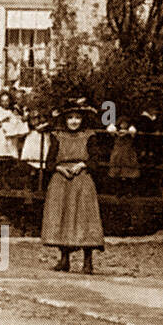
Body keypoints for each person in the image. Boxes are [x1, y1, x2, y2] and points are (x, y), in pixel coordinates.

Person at [42, 108, 104, 274]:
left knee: (84, 218)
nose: (74, 121)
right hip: (61, 180)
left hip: (82, 179)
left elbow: (96, 161)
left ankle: (88, 262)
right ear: (65, 120)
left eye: (78, 118)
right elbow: (49, 162)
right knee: (63, 217)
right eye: (70, 118)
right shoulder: (57, 136)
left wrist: (82, 165)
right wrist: (60, 168)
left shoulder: (89, 136)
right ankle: (64, 260)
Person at [106, 116, 140, 194]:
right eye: (122, 123)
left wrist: (127, 132)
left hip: (128, 153)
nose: (123, 125)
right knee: (117, 173)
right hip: (118, 154)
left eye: (125, 123)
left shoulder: (131, 131)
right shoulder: (115, 130)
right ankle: (118, 191)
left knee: (128, 172)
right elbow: (110, 131)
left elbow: (133, 133)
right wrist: (116, 132)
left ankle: (128, 191)